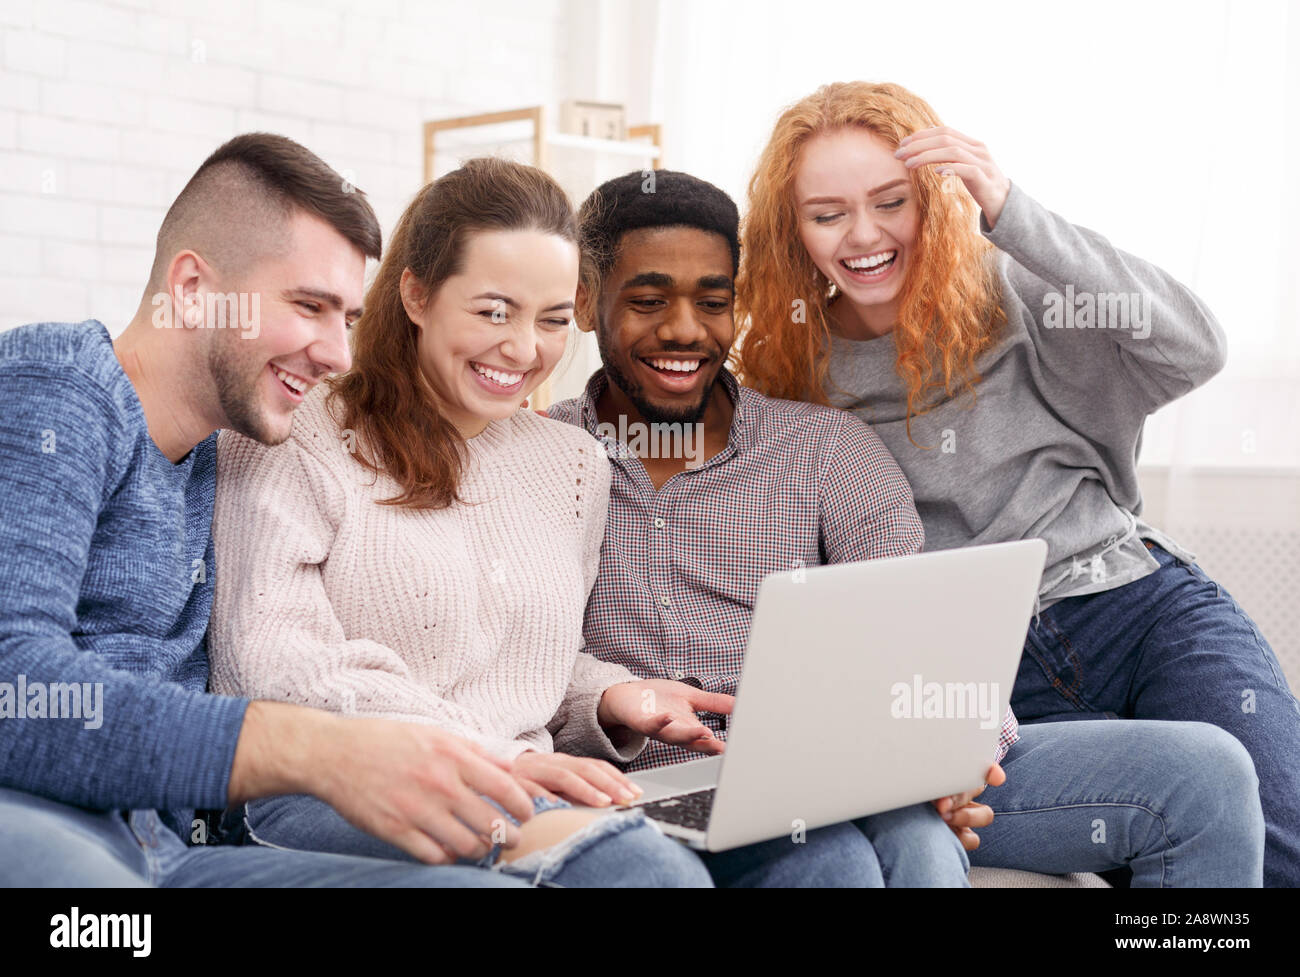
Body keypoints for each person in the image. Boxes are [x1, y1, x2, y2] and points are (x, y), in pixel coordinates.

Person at [546, 167, 1266, 887]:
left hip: (849, 770)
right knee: (889, 852)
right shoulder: (539, 462)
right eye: (646, 301)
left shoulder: (826, 449)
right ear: (584, 299)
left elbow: (926, 642)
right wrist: (610, 697)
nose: (683, 329)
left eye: (713, 301)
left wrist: (950, 753)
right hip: (645, 788)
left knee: (1208, 771)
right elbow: (509, 658)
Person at [733, 81, 1293, 884]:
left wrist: (1009, 209)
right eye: (828, 215)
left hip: (1130, 601)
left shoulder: (1010, 287)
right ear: (795, 232)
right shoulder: (787, 370)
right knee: (1183, 797)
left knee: (1281, 841)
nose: (864, 235)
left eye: (892, 201)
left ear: (935, 195)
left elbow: (1193, 348)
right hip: (979, 672)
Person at [0, 133, 549, 887]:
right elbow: (13, 682)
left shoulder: (218, 454)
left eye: (349, 317)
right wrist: (317, 749)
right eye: (308, 306)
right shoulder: (60, 386)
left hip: (170, 851)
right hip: (44, 831)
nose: (337, 354)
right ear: (192, 288)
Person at [206, 157, 720, 888]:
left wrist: (611, 698)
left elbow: (521, 660)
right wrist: (503, 758)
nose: (523, 349)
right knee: (644, 871)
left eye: (549, 320)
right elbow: (278, 666)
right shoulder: (298, 428)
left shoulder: (573, 463)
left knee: (821, 853)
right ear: (416, 293)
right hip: (333, 783)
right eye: (493, 311)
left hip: (518, 781)